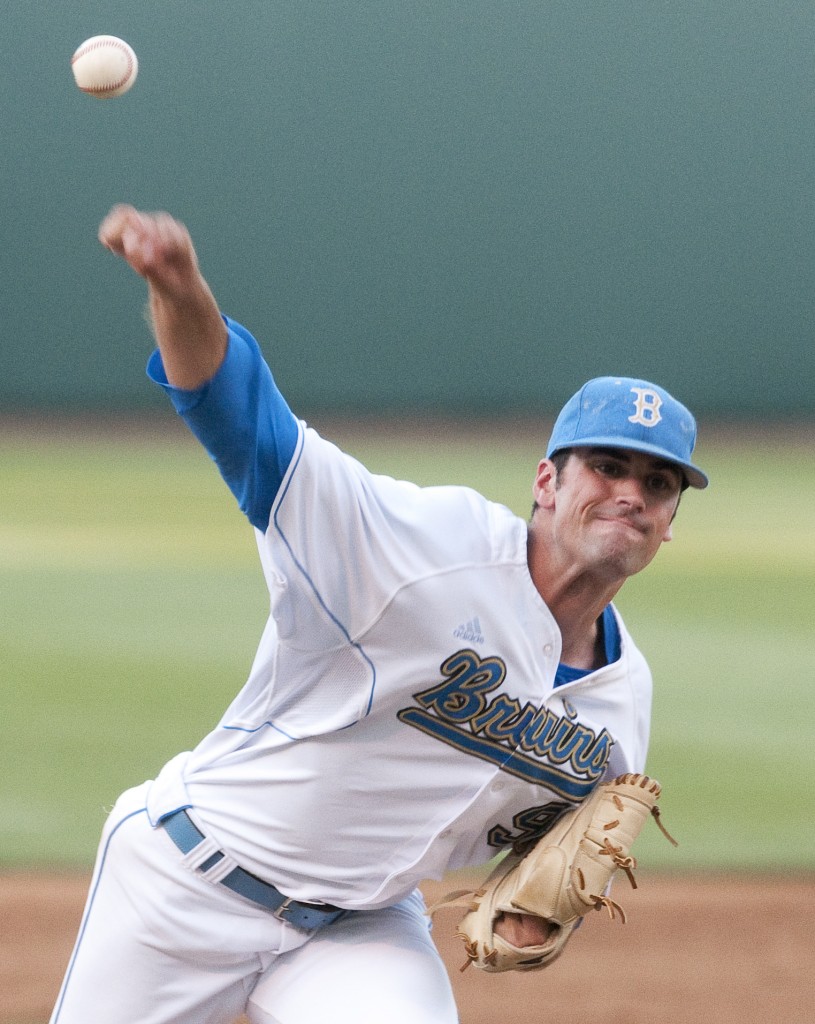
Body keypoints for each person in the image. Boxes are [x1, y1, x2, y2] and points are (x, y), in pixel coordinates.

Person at [51, 205, 708, 1024]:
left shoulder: (621, 701)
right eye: (607, 467)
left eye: (657, 485)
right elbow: (244, 420)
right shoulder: (419, 546)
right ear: (546, 482)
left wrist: (532, 908)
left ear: (672, 519)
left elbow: (558, 855)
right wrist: (179, 288)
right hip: (186, 882)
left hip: (358, 931)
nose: (630, 495)